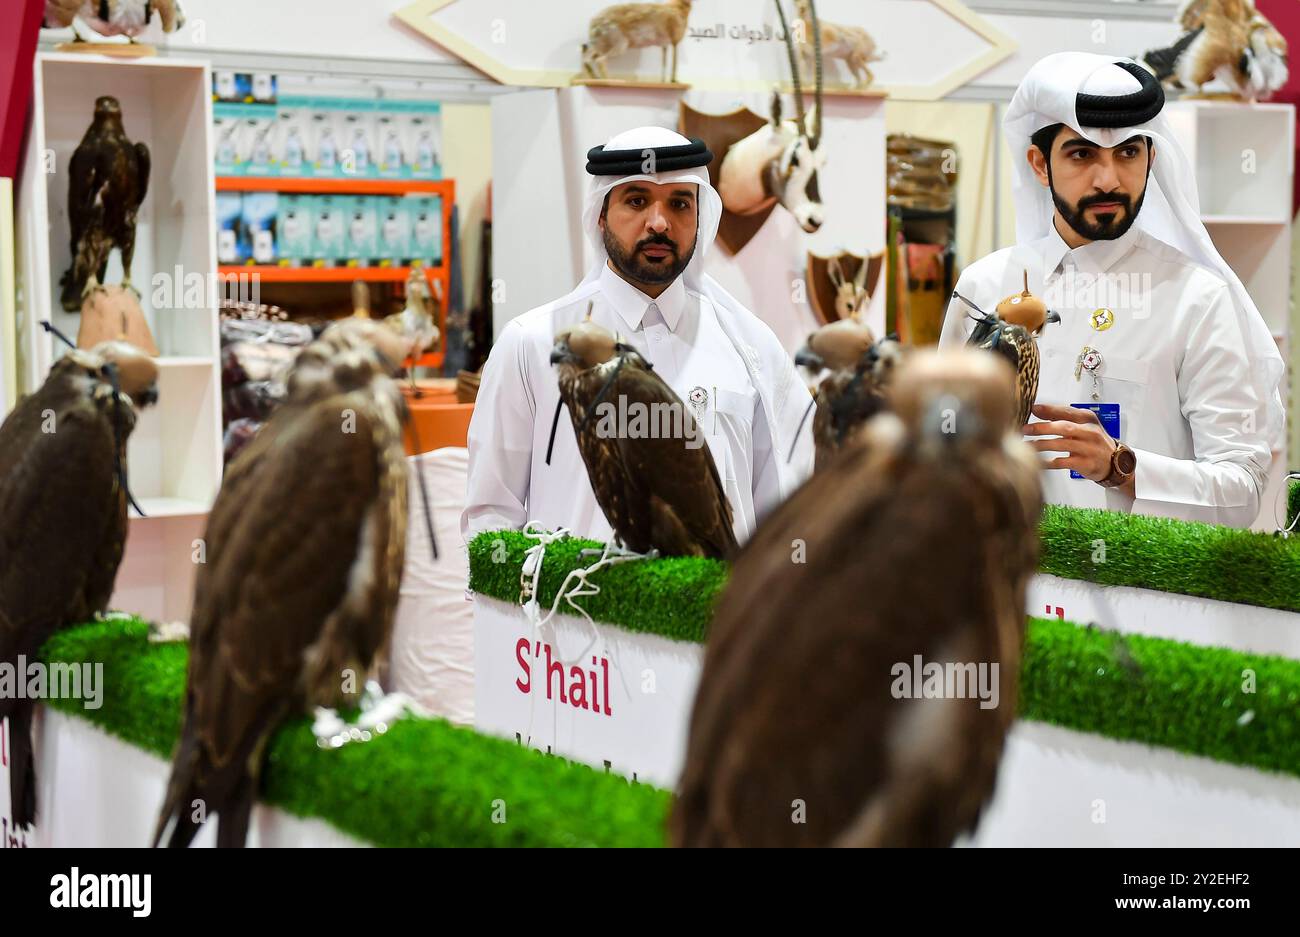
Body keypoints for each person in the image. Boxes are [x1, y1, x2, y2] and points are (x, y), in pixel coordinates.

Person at [940, 52, 1284, 528]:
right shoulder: (984, 286)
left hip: (1138, 596)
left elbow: (1242, 491)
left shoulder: (1197, 299)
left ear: (1151, 158)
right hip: (1004, 587)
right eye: (1082, 154)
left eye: (1127, 153)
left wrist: (1122, 466)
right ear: (1040, 164)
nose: (1109, 179)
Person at [462, 127, 813, 543]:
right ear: (600, 213)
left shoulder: (751, 345)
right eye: (637, 201)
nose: (660, 223)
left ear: (700, 218)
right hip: (574, 607)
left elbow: (790, 503)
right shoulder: (531, 343)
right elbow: (490, 518)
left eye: (680, 203)